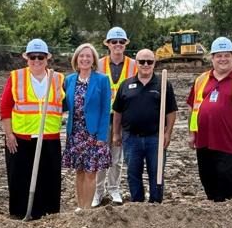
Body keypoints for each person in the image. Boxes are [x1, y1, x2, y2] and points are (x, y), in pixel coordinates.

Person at [187, 37, 232, 202]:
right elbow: (193, 108)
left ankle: (224, 214)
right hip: (204, 141)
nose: (223, 59)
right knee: (207, 178)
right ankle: (214, 211)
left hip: (230, 142)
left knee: (226, 182)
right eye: (219, 56)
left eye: (227, 55)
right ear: (212, 58)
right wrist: (192, 134)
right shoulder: (201, 80)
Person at [0, 39, 65, 219]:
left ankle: (49, 215)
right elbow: (5, 108)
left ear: (47, 59)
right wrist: (9, 134)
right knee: (20, 177)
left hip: (49, 138)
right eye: (32, 57)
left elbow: (66, 104)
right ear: (26, 58)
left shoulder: (58, 78)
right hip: (21, 138)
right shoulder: (16, 77)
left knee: (49, 178)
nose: (36, 61)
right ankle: (20, 213)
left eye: (41, 57)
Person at [112, 49, 177, 203]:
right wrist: (116, 133)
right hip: (131, 138)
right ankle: (137, 205)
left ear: (155, 63)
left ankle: (155, 204)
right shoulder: (126, 85)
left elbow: (171, 112)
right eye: (142, 61)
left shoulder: (163, 84)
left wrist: (167, 133)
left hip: (155, 138)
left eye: (150, 61)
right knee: (133, 173)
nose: (146, 64)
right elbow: (118, 111)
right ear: (136, 63)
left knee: (156, 173)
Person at [62, 43, 112, 209]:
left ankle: (87, 209)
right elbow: (63, 105)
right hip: (75, 133)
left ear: (93, 60)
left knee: (91, 173)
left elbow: (106, 110)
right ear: (76, 59)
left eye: (88, 56)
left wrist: (101, 136)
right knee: (79, 171)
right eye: (81, 56)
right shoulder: (69, 80)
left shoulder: (102, 80)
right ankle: (80, 206)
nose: (84, 59)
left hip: (93, 135)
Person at [95, 26, 138, 207]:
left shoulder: (134, 65)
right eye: (114, 42)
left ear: (125, 44)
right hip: (102, 117)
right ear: (108, 44)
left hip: (123, 118)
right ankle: (98, 192)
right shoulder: (98, 64)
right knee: (100, 155)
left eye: (121, 42)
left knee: (117, 157)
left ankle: (114, 189)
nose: (118, 45)